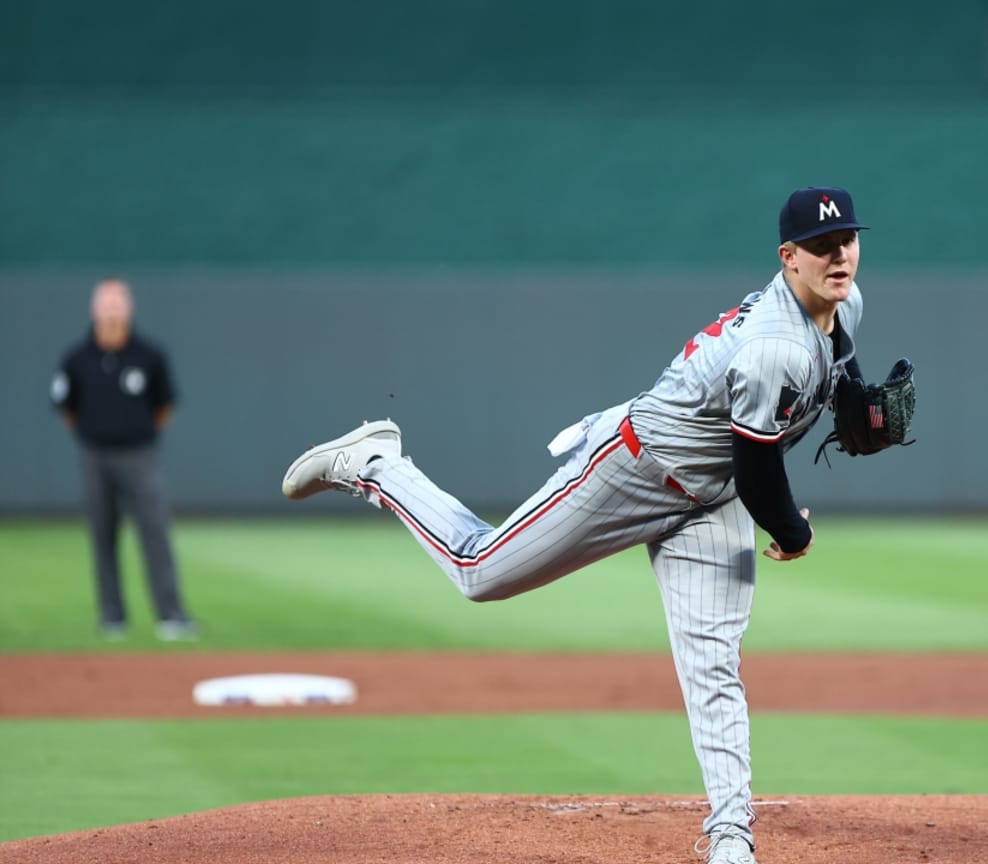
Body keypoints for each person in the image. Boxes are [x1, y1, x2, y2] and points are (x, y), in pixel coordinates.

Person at [281, 186, 875, 864]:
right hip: (634, 468)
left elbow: (837, 358)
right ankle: (377, 463)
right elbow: (758, 469)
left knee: (713, 661)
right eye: (823, 247)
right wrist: (793, 534)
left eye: (848, 241)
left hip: (708, 499)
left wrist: (856, 398)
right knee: (481, 573)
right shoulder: (773, 346)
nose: (840, 256)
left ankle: (731, 831)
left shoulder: (844, 302)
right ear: (787, 257)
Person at [51, 279, 197, 641]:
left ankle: (170, 615)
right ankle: (112, 616)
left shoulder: (149, 355)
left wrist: (140, 433)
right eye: (106, 302)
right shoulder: (77, 357)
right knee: (102, 534)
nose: (112, 308)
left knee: (154, 532)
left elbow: (165, 405)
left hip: (139, 454)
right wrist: (91, 434)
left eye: (118, 302)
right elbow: (65, 407)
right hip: (95, 454)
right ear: (93, 309)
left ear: (129, 307)